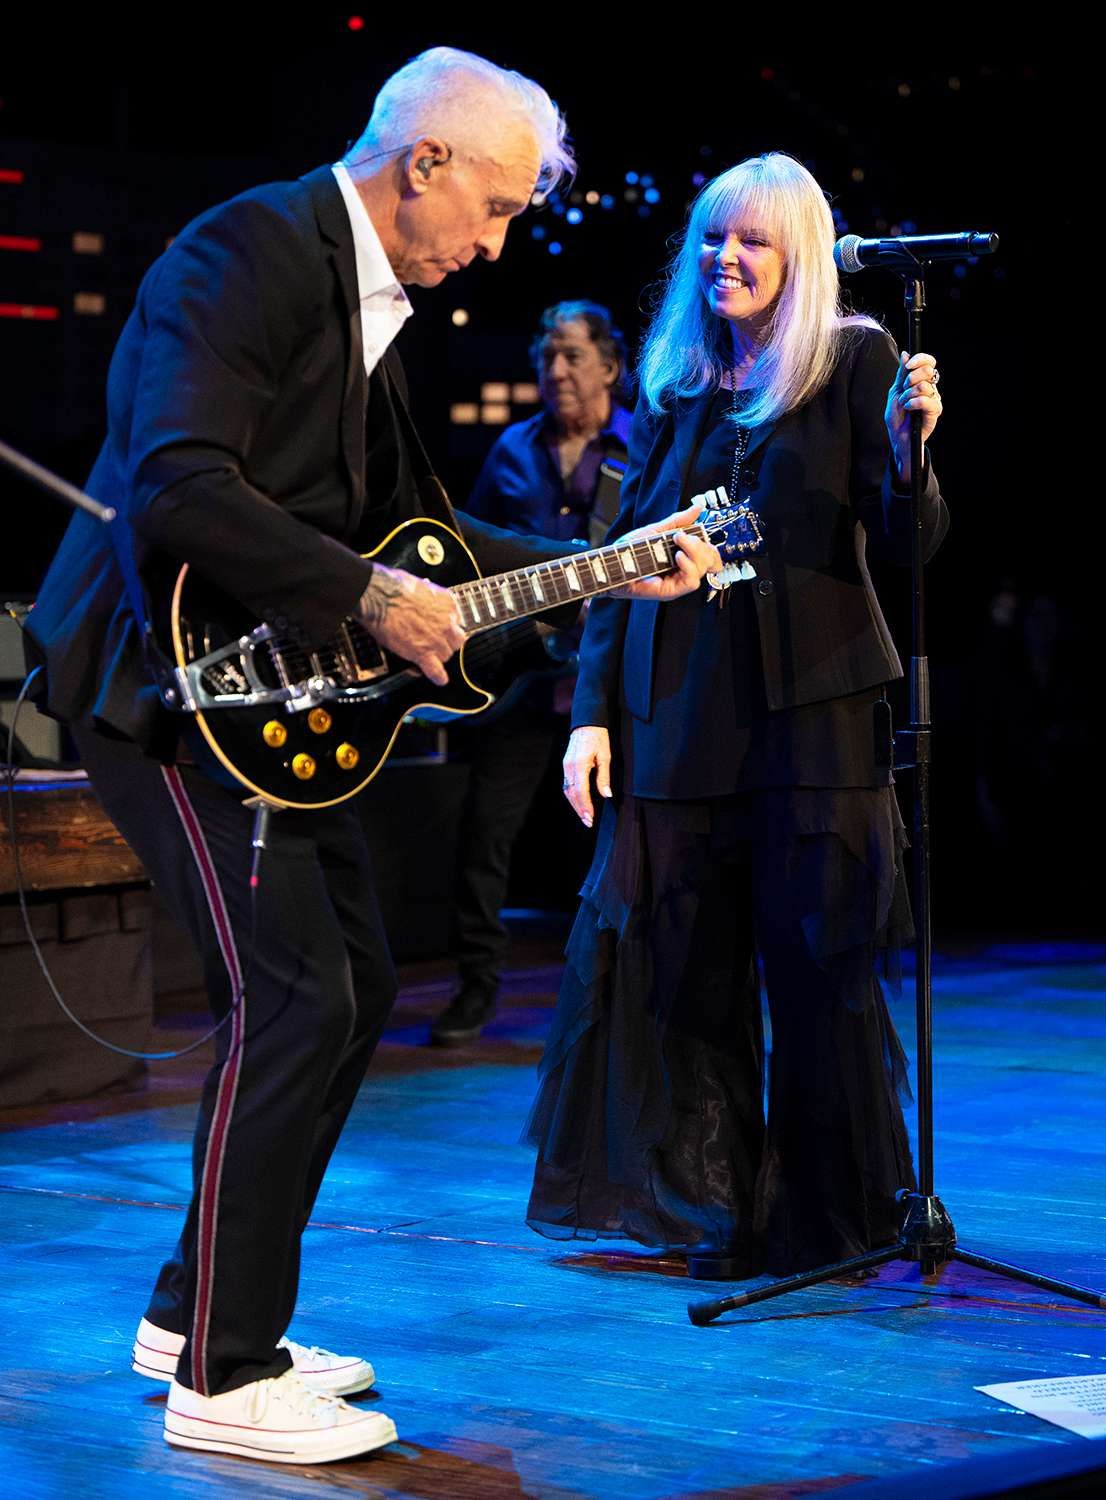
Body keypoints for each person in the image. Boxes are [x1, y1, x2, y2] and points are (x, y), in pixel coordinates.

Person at [24, 48, 720, 1466]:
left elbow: (427, 542)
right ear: (425, 162)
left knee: (344, 991)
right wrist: (363, 597)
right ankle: (223, 1374)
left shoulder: (367, 304)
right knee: (294, 996)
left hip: (263, 708)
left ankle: (196, 1312)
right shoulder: (247, 251)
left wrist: (610, 562)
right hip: (162, 690)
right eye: (498, 207)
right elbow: (174, 482)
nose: (498, 242)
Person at [524, 152, 949, 1284]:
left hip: (811, 720)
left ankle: (826, 1223)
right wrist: (591, 714)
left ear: (798, 254)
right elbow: (618, 563)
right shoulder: (676, 381)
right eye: (713, 237)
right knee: (686, 977)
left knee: (816, 974)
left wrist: (909, 459)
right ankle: (714, 1214)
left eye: (752, 239)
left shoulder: (852, 359)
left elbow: (909, 544)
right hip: (677, 719)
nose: (725, 257)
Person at [432, 300, 632, 1045]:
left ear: (609, 366)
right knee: (485, 833)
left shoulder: (644, 442)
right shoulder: (511, 449)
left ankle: (613, 994)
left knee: (613, 840)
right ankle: (476, 986)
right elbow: (468, 557)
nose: (556, 371)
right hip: (519, 679)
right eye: (547, 357)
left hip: (608, 684)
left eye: (572, 355)